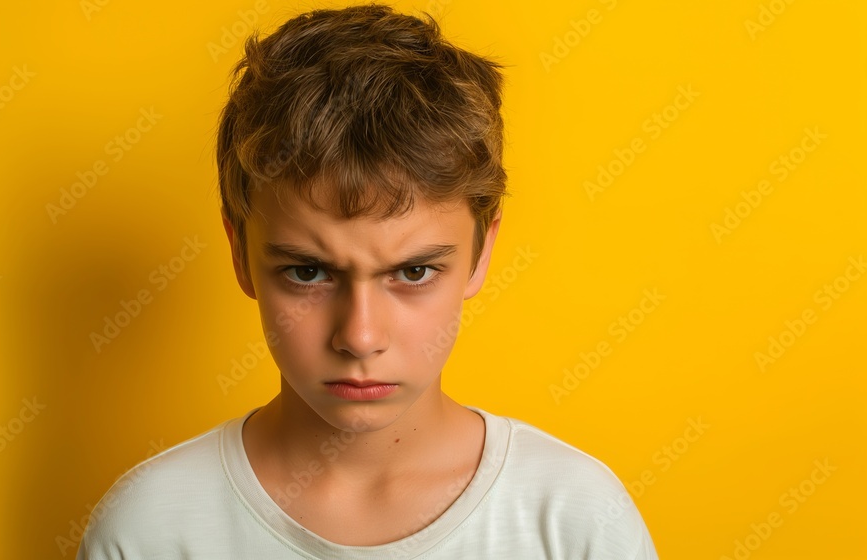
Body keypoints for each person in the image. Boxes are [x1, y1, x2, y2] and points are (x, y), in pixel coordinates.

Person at [77, 4, 658, 558]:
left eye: (413, 272)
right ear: (240, 253)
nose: (359, 337)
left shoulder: (576, 520)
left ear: (481, 252)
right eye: (308, 272)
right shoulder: (150, 528)